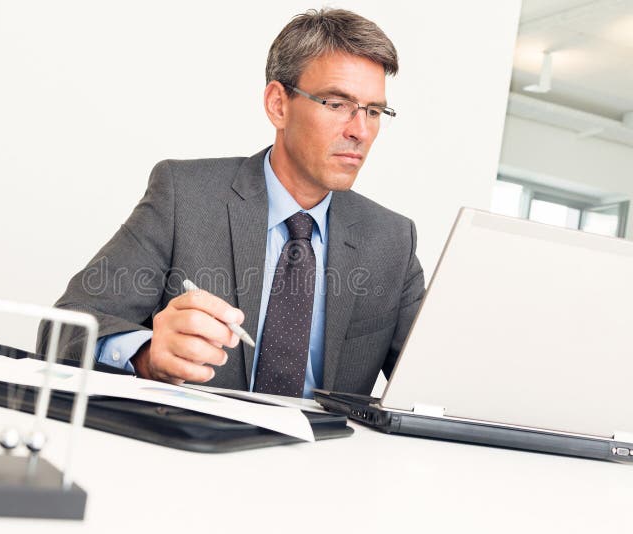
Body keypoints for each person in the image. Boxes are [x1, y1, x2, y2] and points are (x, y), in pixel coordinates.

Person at [37, 8, 425, 398]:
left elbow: (437, 384)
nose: (360, 131)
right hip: (197, 451)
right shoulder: (184, 197)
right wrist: (145, 354)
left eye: (374, 111)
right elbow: (63, 328)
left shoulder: (392, 240)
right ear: (278, 104)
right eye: (337, 104)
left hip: (327, 455)